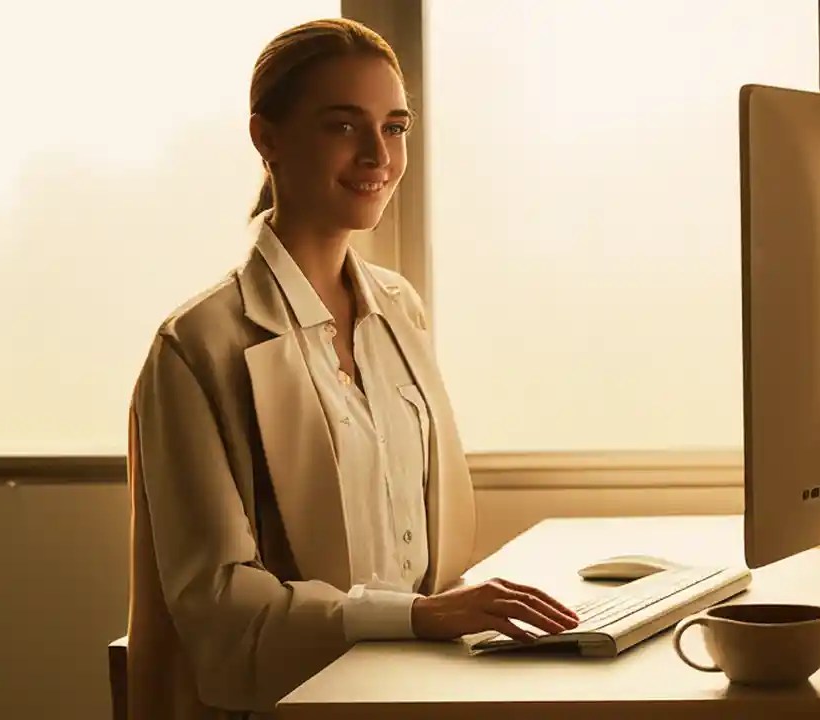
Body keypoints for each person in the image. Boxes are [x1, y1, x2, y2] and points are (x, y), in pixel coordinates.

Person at [124, 17, 579, 719]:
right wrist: (415, 618)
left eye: (394, 127)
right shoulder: (196, 347)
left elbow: (429, 552)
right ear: (266, 139)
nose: (379, 155)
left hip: (421, 691)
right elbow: (218, 604)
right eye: (344, 126)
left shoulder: (400, 309)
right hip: (294, 703)